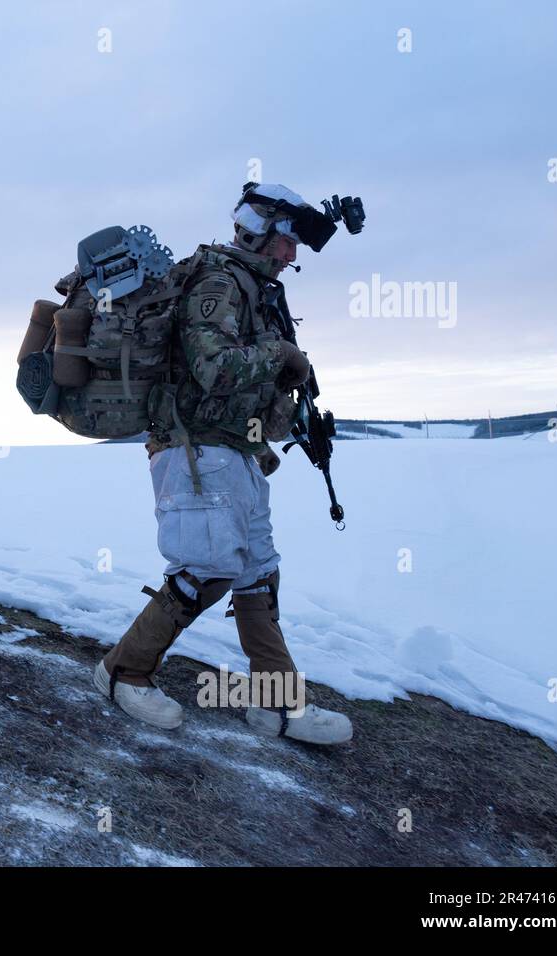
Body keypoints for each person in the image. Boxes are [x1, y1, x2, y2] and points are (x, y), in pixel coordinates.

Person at [94, 183, 353, 745]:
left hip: (234, 450)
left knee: (257, 570)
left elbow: (251, 386)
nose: (292, 255)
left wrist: (282, 414)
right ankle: (123, 671)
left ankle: (276, 703)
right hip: (195, 448)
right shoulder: (219, 281)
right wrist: (281, 357)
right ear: (256, 231)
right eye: (287, 241)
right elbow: (214, 368)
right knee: (205, 569)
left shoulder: (259, 291)